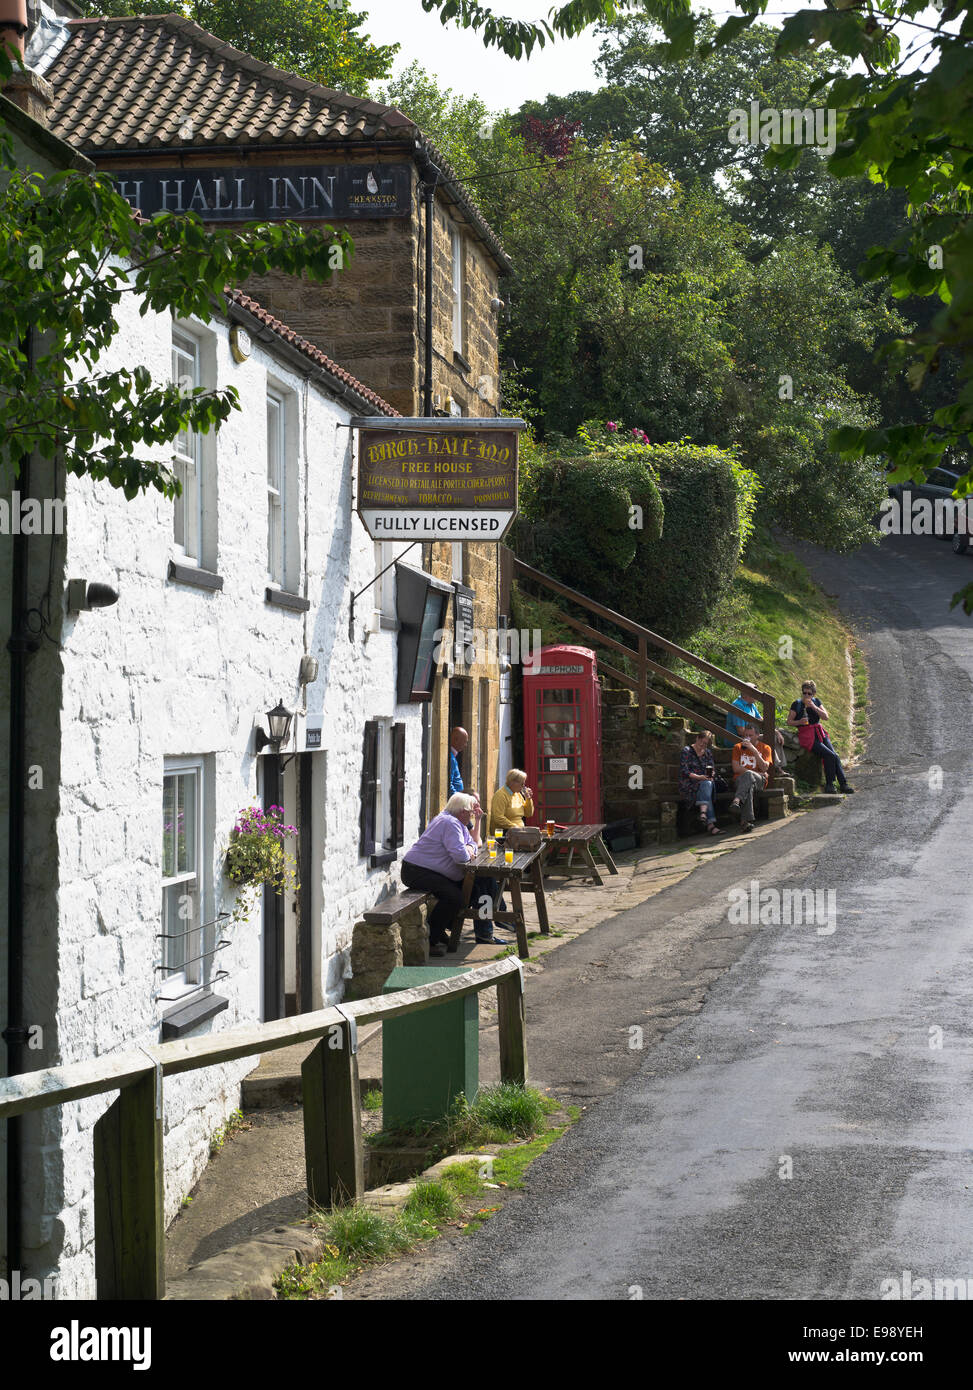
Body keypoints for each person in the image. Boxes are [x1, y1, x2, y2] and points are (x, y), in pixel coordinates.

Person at [400, 792, 509, 955]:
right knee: (455, 898)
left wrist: (469, 848)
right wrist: (468, 850)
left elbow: (472, 843)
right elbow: (462, 857)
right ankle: (430, 941)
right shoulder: (449, 823)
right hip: (416, 871)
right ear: (462, 811)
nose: (472, 816)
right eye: (471, 813)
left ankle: (448, 929)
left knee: (475, 888)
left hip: (427, 870)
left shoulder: (455, 821)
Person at [787, 680, 854, 794]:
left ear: (814, 694)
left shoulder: (816, 702)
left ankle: (843, 784)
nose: (806, 696)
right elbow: (789, 721)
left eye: (809, 694)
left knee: (835, 756)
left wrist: (813, 707)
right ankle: (829, 784)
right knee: (829, 755)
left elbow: (826, 717)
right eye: (805, 693)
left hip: (819, 732)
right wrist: (799, 722)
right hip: (807, 735)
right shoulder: (797, 704)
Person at [730, 724, 772, 832]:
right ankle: (745, 822)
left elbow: (764, 768)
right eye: (745, 735)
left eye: (750, 735)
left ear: (757, 735)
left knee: (748, 777)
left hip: (760, 781)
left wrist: (754, 750)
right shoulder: (737, 747)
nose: (747, 738)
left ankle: (737, 800)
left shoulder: (766, 748)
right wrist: (753, 772)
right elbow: (736, 768)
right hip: (740, 780)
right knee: (748, 782)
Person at [679, 730, 720, 835]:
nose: (702, 745)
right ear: (697, 738)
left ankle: (703, 813)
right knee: (706, 788)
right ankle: (710, 824)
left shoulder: (707, 753)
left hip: (704, 782)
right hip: (689, 783)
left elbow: (711, 768)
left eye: (705, 743)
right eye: (701, 741)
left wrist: (710, 776)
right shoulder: (687, 750)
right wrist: (699, 777)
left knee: (708, 784)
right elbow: (685, 771)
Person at [489, 768, 535, 838]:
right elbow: (498, 817)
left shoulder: (518, 794)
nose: (523, 786)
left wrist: (528, 799)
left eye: (524, 783)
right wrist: (515, 827)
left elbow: (528, 814)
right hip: (504, 834)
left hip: (518, 833)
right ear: (512, 782)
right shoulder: (501, 795)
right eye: (522, 783)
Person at [448, 726, 468, 796]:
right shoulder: (451, 758)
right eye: (464, 741)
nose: (465, 745)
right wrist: (459, 799)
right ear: (456, 740)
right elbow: (448, 784)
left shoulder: (452, 756)